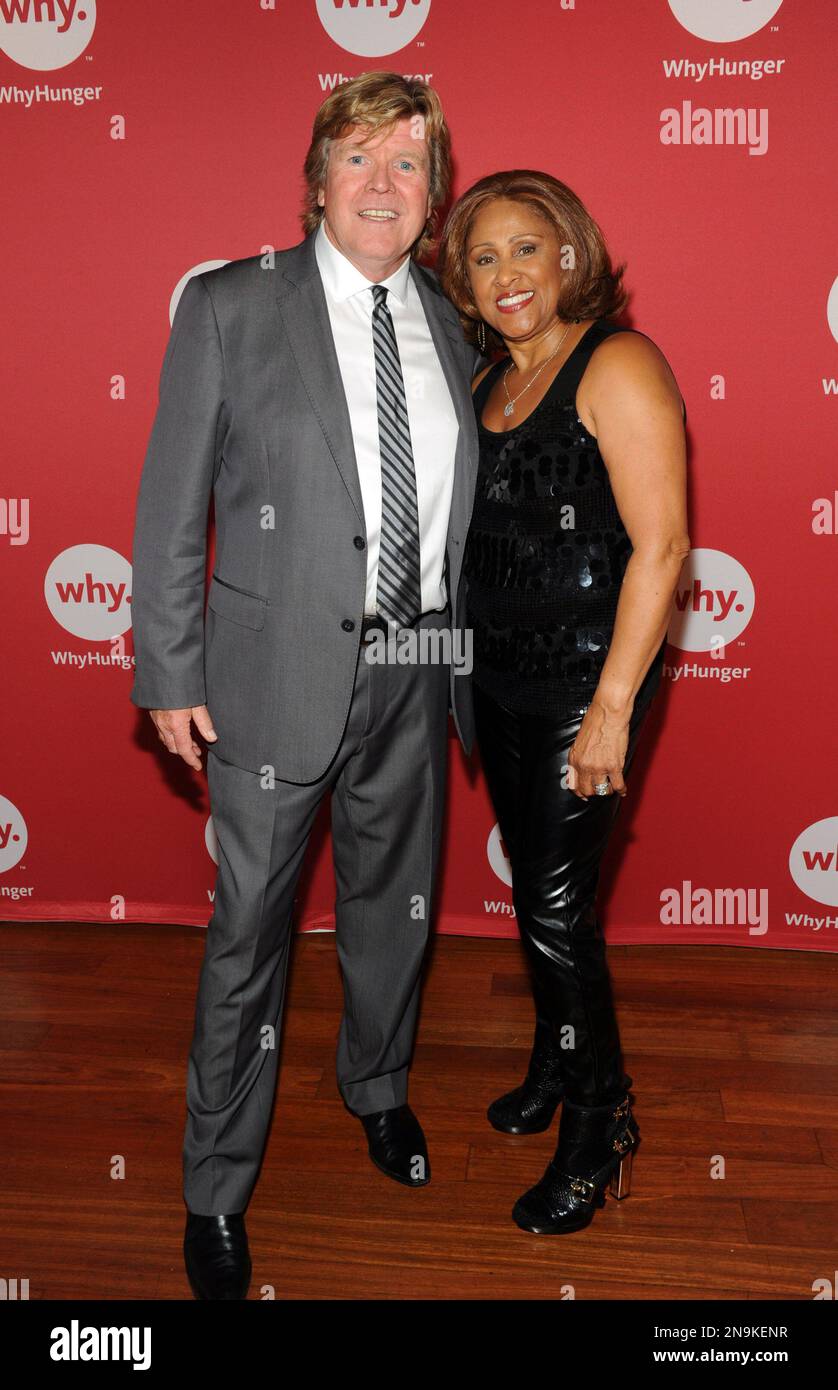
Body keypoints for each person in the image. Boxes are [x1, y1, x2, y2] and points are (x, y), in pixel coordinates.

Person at [130, 72, 484, 1298]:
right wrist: (168, 666)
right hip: (269, 678)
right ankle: (214, 1186)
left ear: (431, 198)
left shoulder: (448, 322)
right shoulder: (231, 307)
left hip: (416, 663)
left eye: (407, 165)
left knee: (395, 909)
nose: (383, 183)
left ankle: (378, 1089)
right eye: (359, 157)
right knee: (248, 941)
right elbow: (172, 504)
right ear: (314, 181)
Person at [437, 170, 688, 1234]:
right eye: (483, 258)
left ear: (571, 255)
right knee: (550, 913)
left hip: (584, 684)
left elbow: (663, 545)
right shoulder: (493, 377)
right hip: (495, 680)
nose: (506, 275)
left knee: (550, 913)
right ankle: (554, 1060)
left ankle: (599, 1117)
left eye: (525, 249)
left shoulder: (615, 362)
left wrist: (613, 706)